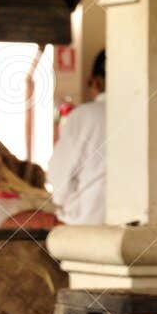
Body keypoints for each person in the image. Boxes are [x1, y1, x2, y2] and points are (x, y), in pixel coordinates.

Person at [47, 49, 106, 225]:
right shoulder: (150, 116)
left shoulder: (83, 116)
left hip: (89, 229)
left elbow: (58, 179)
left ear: (95, 82)